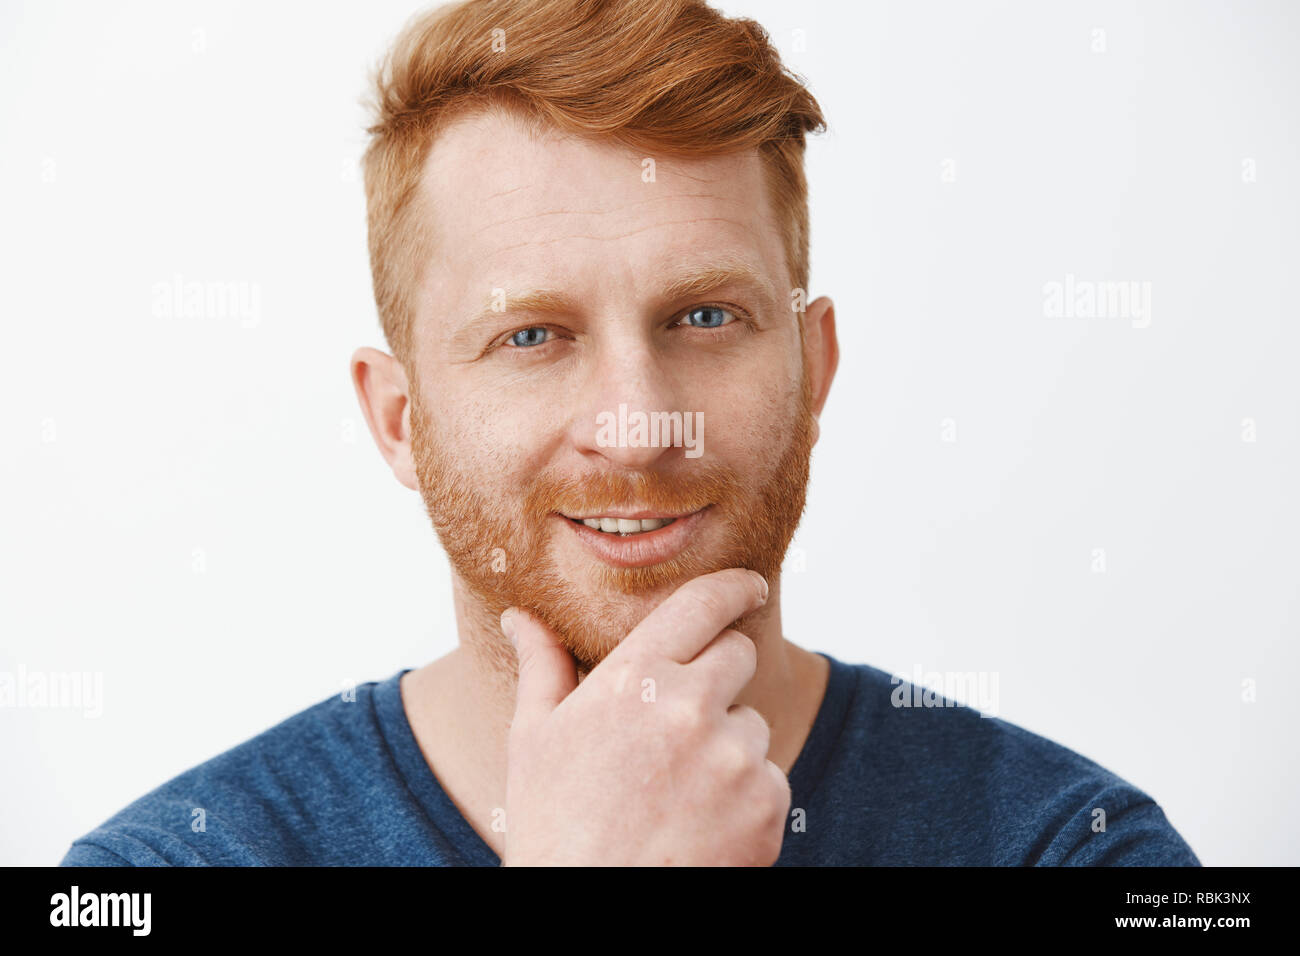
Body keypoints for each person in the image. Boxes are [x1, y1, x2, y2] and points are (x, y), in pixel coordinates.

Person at [60, 0, 1199, 866]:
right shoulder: (165, 869)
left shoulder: (1076, 848)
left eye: (704, 316)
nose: (635, 424)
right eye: (532, 335)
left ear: (814, 370)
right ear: (399, 421)